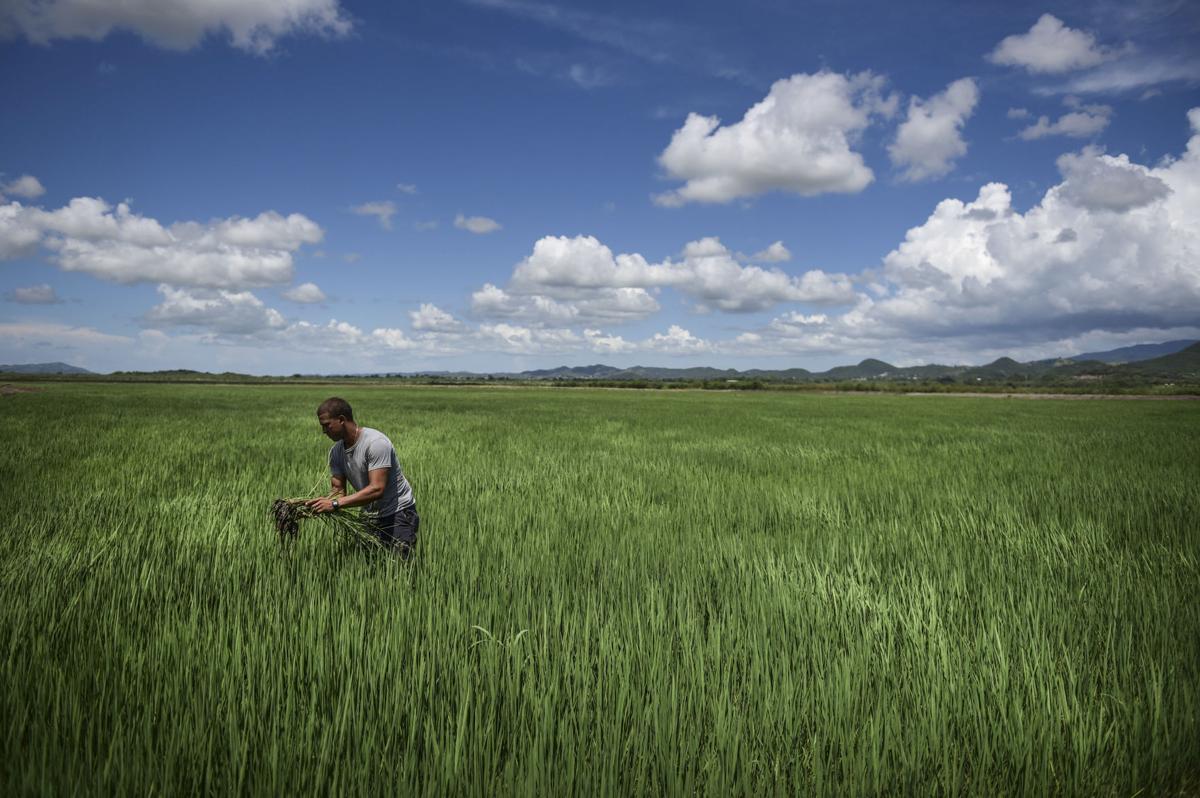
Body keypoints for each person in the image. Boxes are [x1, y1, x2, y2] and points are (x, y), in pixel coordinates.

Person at [306, 397, 419, 558]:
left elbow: (377, 489)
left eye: (326, 425)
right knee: (370, 570)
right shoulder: (336, 452)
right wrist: (314, 505)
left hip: (398, 513)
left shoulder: (376, 443)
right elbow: (338, 491)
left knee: (400, 572)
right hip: (369, 516)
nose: (324, 431)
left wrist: (335, 504)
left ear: (341, 420)